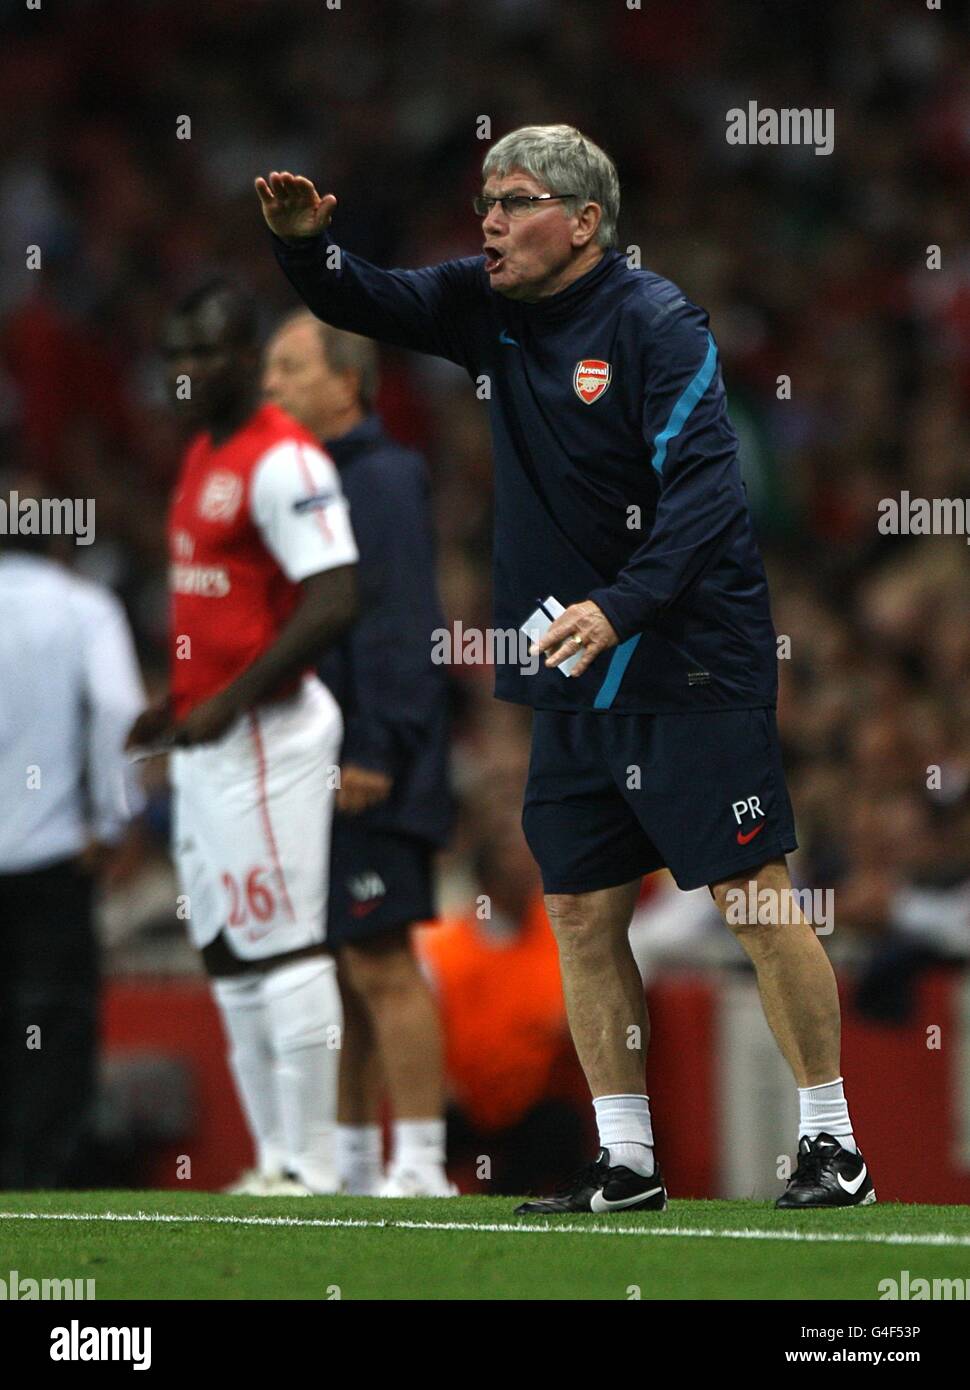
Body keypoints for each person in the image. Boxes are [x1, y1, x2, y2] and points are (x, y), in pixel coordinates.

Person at [256, 123, 874, 1213]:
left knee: (751, 894)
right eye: (485, 197)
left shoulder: (658, 323)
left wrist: (619, 607)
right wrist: (309, 251)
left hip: (687, 659)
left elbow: (706, 498)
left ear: (585, 223)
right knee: (582, 914)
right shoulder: (485, 304)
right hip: (571, 668)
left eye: (519, 199)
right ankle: (627, 1158)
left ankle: (832, 1142)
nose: (489, 217)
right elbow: (370, 300)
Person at [126, 279, 359, 1196]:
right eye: (177, 351)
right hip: (208, 736)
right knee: (224, 947)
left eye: (208, 350)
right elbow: (217, 601)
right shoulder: (201, 454)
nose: (188, 368)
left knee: (287, 939)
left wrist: (235, 697)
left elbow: (336, 595)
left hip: (270, 731)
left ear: (249, 357)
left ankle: (315, 1165)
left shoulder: (284, 460)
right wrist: (182, 702)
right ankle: (274, 1162)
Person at [262, 311, 455, 1196]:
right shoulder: (302, 481)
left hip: (372, 763)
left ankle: (419, 1162)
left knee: (381, 962)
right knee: (340, 969)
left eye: (292, 369)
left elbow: (399, 622)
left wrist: (376, 746)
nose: (273, 388)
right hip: (318, 767)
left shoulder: (378, 478)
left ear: (348, 381)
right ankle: (344, 1162)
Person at [0, 519, 145, 1188]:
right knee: (52, 1035)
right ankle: (44, 1191)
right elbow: (118, 707)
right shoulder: (83, 606)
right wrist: (116, 817)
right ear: (60, 545)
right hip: (53, 861)